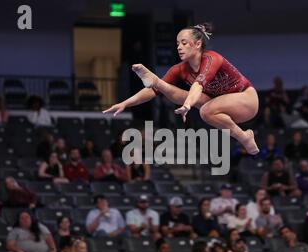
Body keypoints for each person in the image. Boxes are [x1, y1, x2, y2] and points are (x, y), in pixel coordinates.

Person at [103, 22, 260, 155]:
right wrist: (125, 103)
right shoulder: (180, 69)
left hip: (246, 100)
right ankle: (157, 81)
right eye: (177, 43)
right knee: (167, 89)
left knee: (204, 110)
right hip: (220, 104)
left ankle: (245, 137)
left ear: (198, 44)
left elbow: (198, 85)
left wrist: (188, 105)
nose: (179, 47)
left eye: (184, 43)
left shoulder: (212, 58)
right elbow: (151, 91)